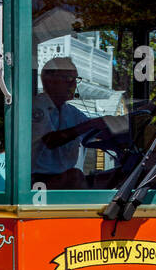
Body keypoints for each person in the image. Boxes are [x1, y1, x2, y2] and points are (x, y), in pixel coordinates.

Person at [31, 57, 122, 189]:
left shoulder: (71, 112)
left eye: (75, 80)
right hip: (36, 184)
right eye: (68, 79)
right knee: (76, 176)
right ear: (49, 81)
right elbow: (50, 141)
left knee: (119, 174)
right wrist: (89, 125)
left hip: (64, 180)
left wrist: (124, 127)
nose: (73, 85)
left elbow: (96, 131)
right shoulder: (36, 108)